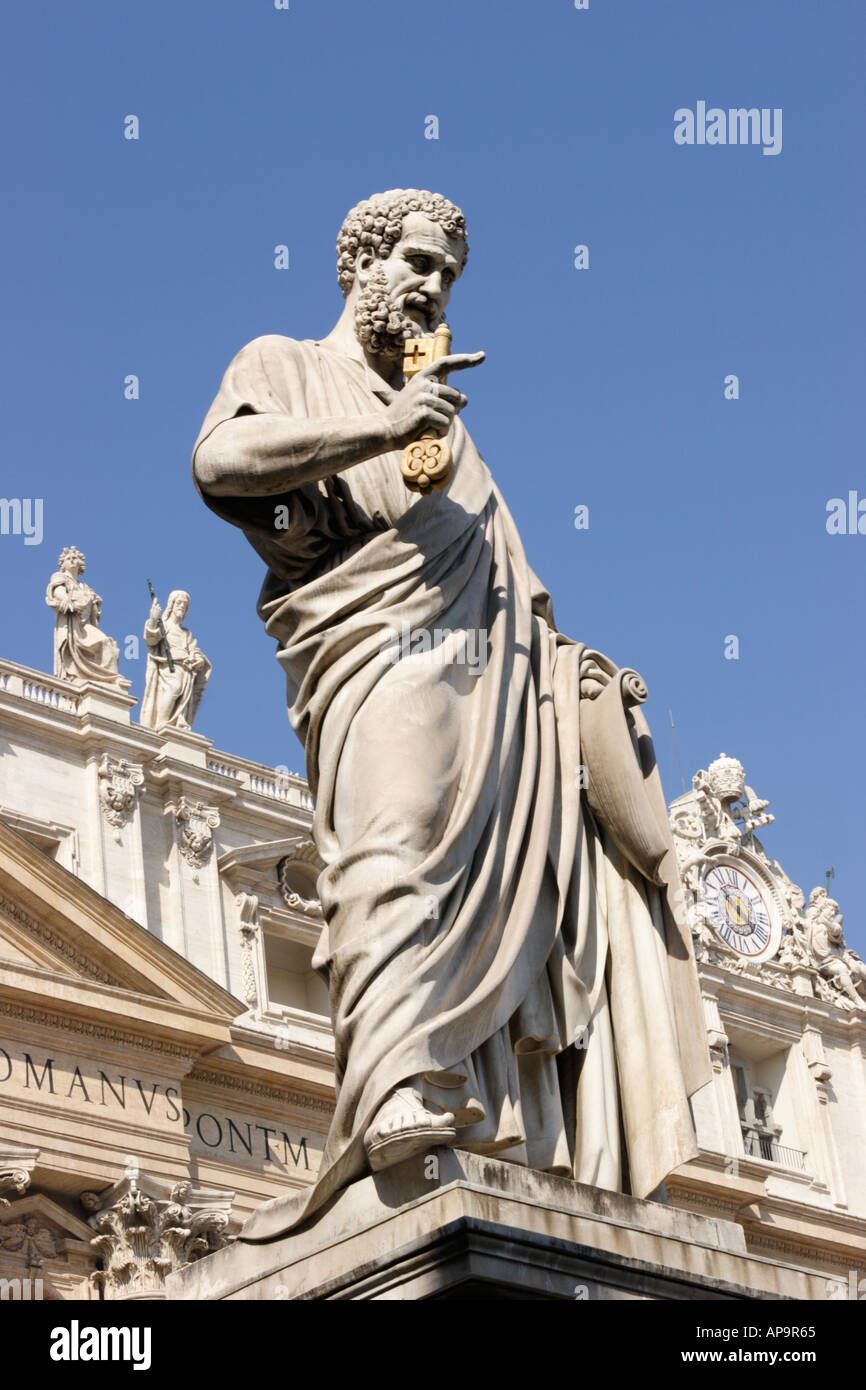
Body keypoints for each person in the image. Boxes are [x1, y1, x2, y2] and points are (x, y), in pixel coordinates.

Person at [192, 189, 710, 1239]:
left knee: (485, 876)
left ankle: (472, 1102)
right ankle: (391, 1086)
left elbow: (512, 588)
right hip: (370, 646)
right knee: (391, 846)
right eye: (418, 263)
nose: (433, 289)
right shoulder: (282, 363)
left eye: (447, 277)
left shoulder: (453, 433)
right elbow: (217, 466)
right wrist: (377, 426)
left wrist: (579, 684)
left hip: (492, 691)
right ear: (361, 263)